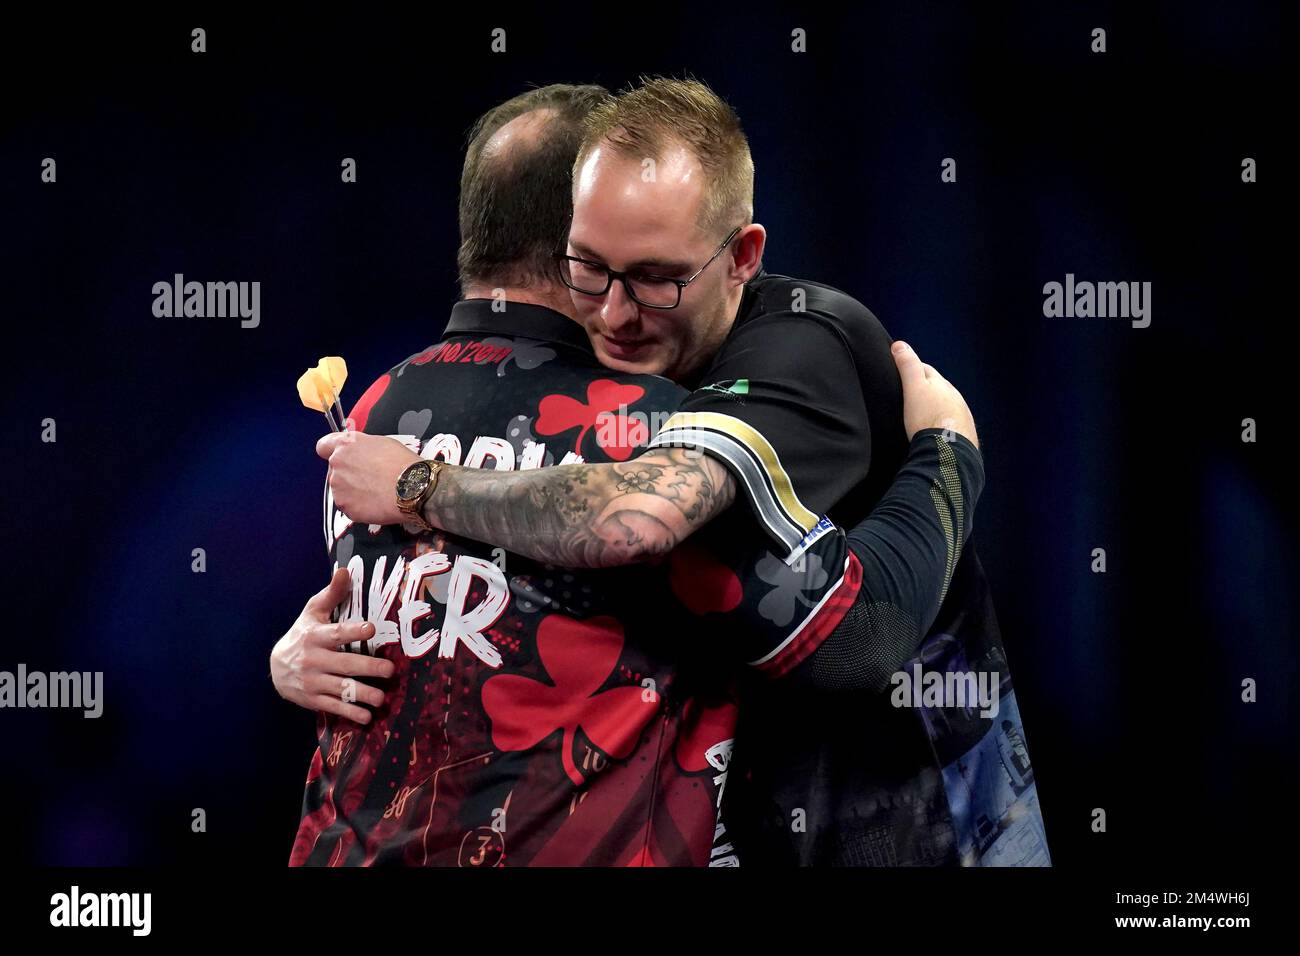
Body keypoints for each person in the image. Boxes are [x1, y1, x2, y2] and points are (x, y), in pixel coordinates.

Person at [318, 77, 1049, 866]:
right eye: (588, 268)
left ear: (742, 257)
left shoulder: (803, 356)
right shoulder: (611, 392)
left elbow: (853, 638)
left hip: (923, 818)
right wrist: (304, 650)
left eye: (657, 277)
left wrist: (949, 455)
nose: (614, 314)